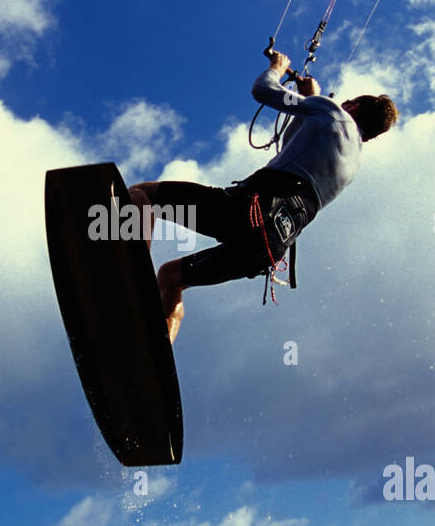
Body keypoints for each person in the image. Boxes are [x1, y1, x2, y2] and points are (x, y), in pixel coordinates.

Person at [129, 49, 398, 343]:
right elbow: (289, 147)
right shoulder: (351, 164)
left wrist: (277, 68)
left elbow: (263, 90)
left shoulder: (333, 112)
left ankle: (130, 278)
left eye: (347, 102)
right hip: (266, 250)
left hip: (245, 212)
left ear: (354, 107)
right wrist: (306, 100)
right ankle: (160, 345)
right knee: (171, 278)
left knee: (141, 195)